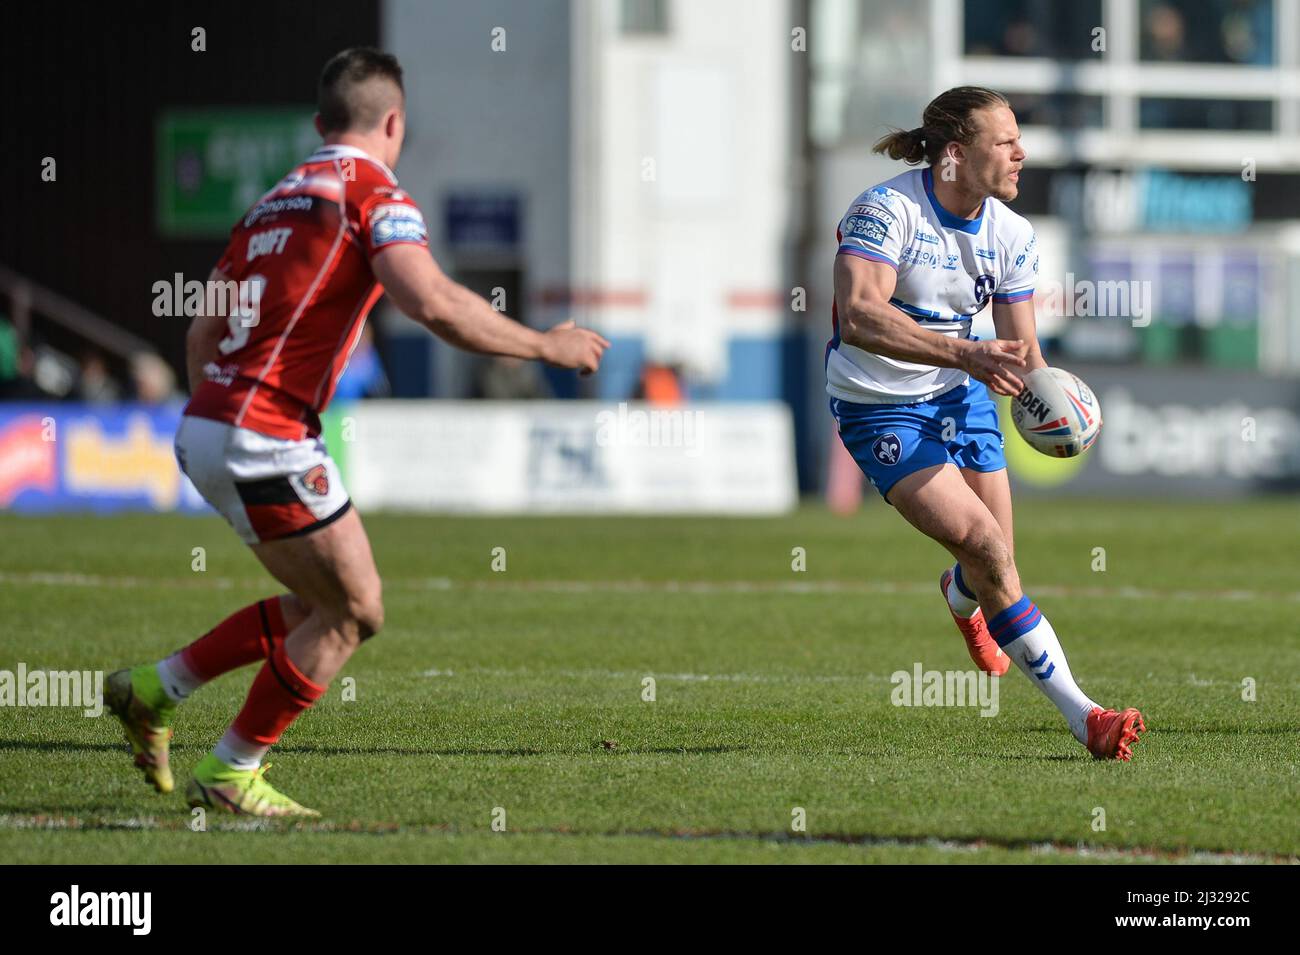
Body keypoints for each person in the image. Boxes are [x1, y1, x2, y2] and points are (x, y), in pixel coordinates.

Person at [104, 47, 609, 815]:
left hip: (211, 421)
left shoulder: (270, 202)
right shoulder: (373, 192)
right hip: (264, 430)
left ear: (319, 124)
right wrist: (544, 344)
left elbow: (205, 329)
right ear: (395, 122)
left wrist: (222, 405)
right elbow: (431, 301)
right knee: (355, 610)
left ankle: (155, 688)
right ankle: (231, 769)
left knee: (318, 605)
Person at [827, 86, 1144, 760]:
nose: (1020, 152)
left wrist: (1055, 402)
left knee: (996, 556)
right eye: (1004, 142)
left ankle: (960, 594)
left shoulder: (1012, 234)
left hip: (960, 394)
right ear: (954, 155)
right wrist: (963, 352)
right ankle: (1088, 716)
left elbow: (1024, 352)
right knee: (989, 549)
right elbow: (858, 313)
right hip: (879, 404)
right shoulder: (886, 212)